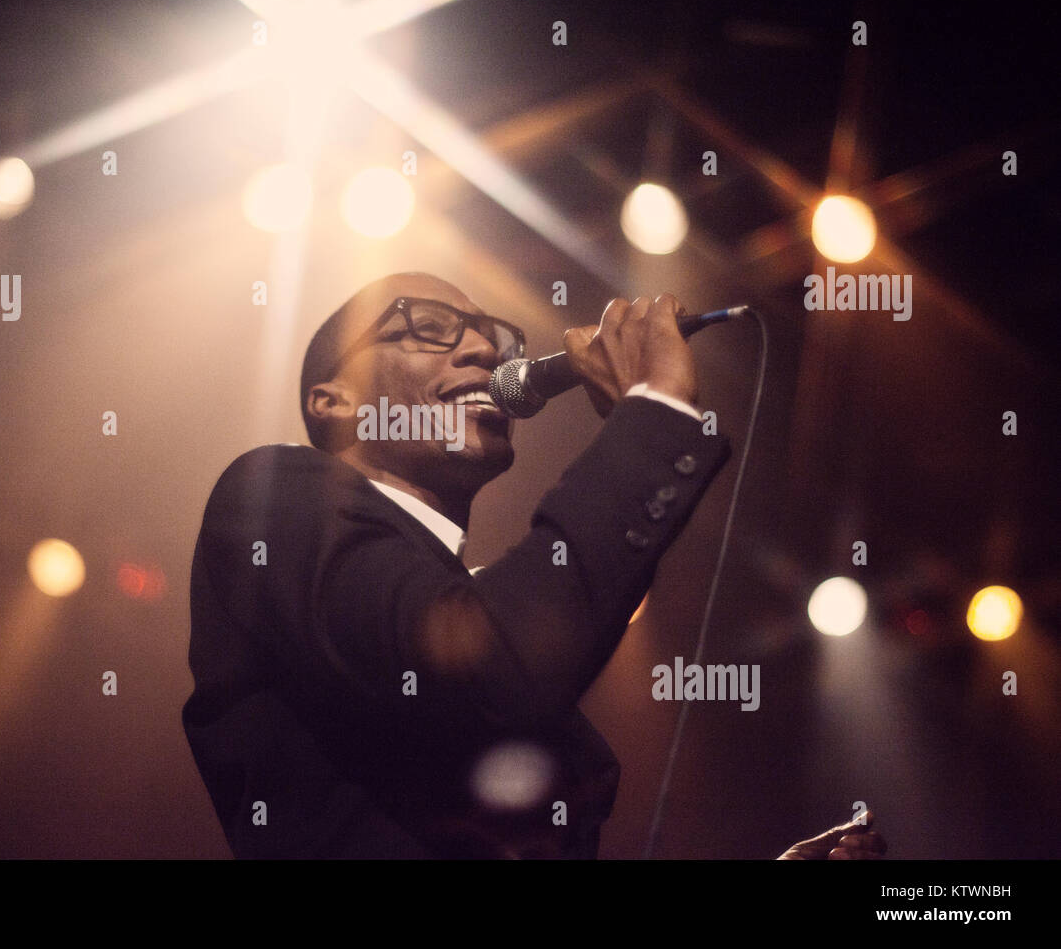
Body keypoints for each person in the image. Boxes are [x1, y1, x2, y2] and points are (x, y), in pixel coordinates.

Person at [181, 272, 887, 860]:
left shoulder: (465, 594)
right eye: (429, 324)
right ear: (333, 402)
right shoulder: (269, 494)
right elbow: (493, 663)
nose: (485, 348)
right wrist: (658, 408)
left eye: (493, 334)